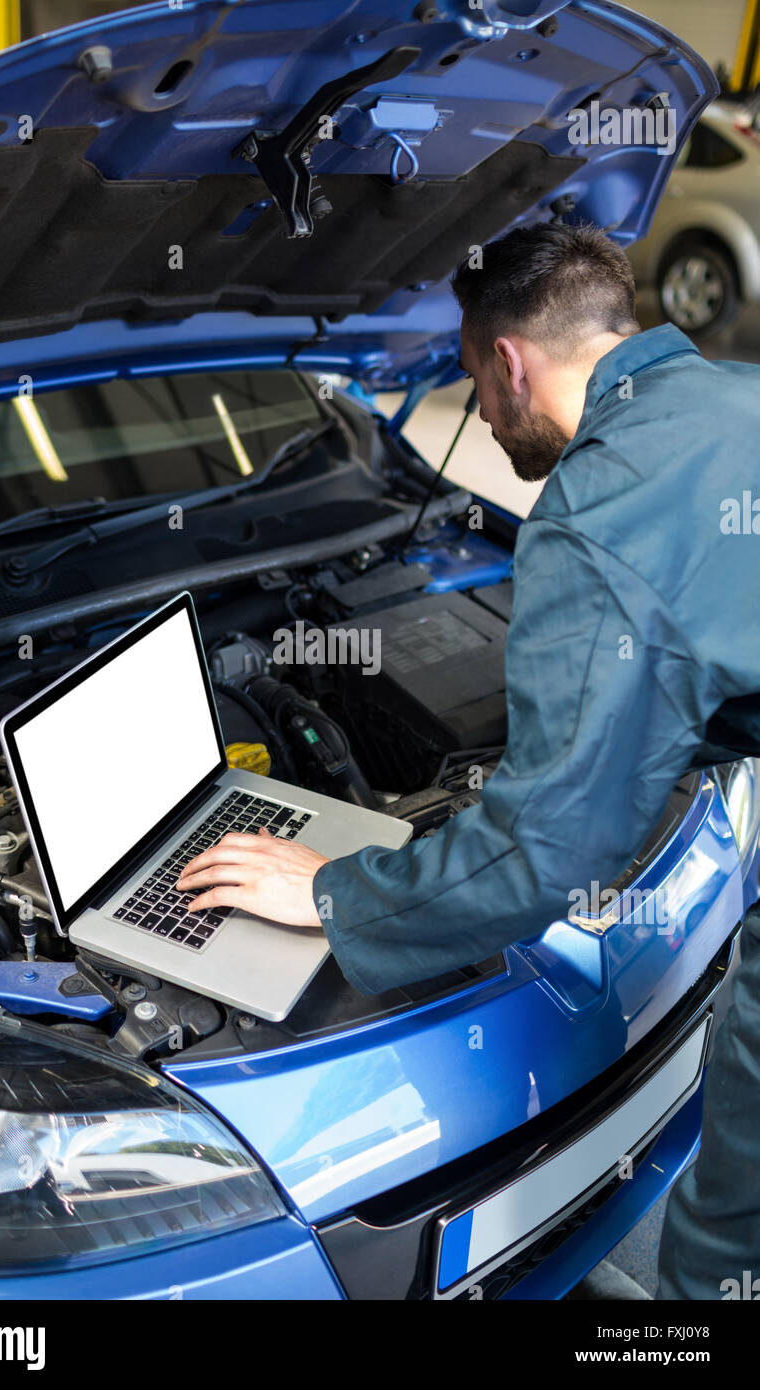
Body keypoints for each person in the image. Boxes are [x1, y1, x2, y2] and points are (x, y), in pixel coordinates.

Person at [176, 221, 760, 1299]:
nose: (482, 421)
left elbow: (544, 849)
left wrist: (337, 891)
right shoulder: (731, 398)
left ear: (505, 362)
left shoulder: (598, 516)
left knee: (726, 1232)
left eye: (470, 385)